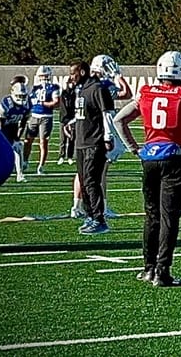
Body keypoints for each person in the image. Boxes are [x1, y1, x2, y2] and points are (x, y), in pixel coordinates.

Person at [114, 51, 181, 287]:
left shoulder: (146, 92)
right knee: (170, 217)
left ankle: (148, 267)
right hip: (175, 157)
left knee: (152, 215)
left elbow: (119, 119)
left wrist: (134, 148)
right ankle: (162, 270)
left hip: (150, 158)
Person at [69, 59, 119, 235]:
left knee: (91, 181)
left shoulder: (97, 88)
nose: (71, 77)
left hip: (94, 142)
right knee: (83, 181)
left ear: (82, 72)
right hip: (82, 141)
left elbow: (107, 113)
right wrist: (72, 124)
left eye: (73, 73)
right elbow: (83, 114)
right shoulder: (81, 90)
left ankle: (99, 218)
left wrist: (108, 136)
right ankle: (90, 215)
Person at [0, 78, 32, 183]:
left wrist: (18, 136)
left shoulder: (28, 103)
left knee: (18, 147)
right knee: (5, 150)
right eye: (19, 96)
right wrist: (1, 138)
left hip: (13, 126)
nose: (22, 98)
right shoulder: (7, 103)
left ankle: (20, 174)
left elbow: (23, 122)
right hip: (0, 126)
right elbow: (1, 121)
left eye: (23, 96)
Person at [25, 66, 60, 175]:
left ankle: (41, 166)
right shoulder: (34, 88)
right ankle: (25, 161)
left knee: (43, 142)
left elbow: (56, 102)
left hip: (46, 117)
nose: (43, 78)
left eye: (45, 76)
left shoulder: (53, 88)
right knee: (28, 140)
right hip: (34, 116)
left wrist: (42, 103)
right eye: (41, 75)